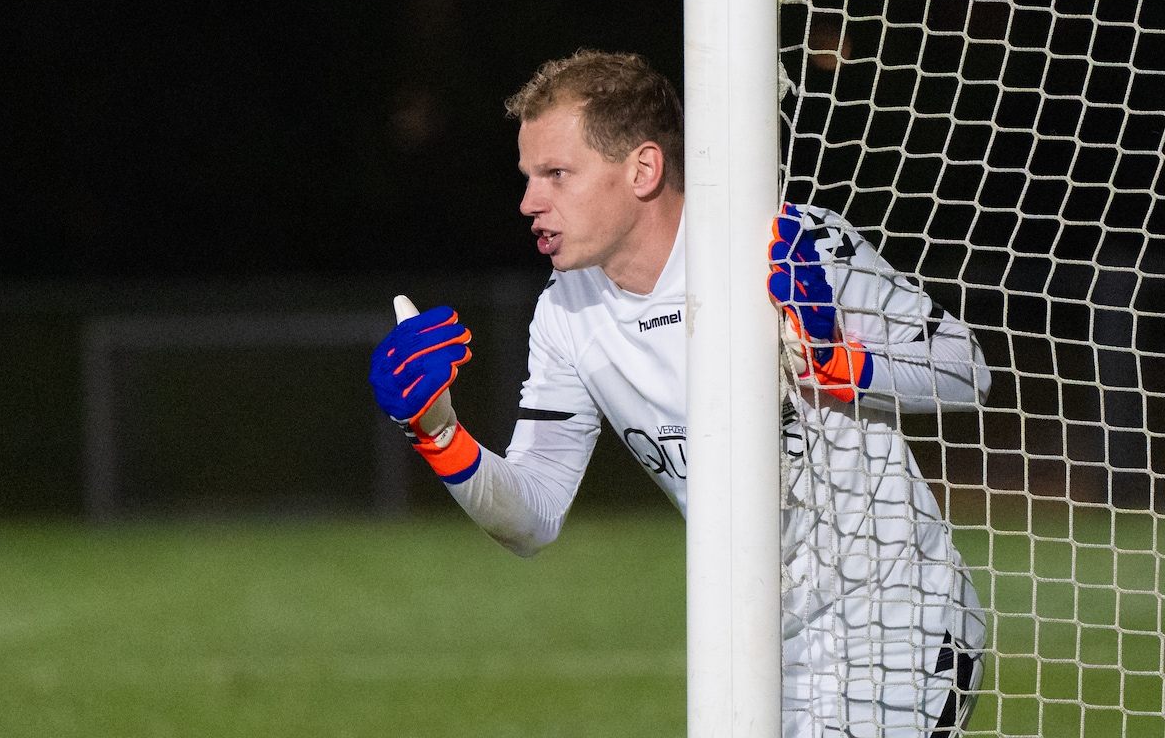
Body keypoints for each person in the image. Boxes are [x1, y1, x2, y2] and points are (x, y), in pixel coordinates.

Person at [369, 49, 990, 737]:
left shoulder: (785, 246)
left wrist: (835, 360)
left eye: (557, 174)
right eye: (529, 177)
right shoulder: (566, 312)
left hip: (897, 626)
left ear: (643, 169)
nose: (529, 202)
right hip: (750, 646)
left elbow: (966, 368)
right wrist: (439, 431)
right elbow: (533, 515)